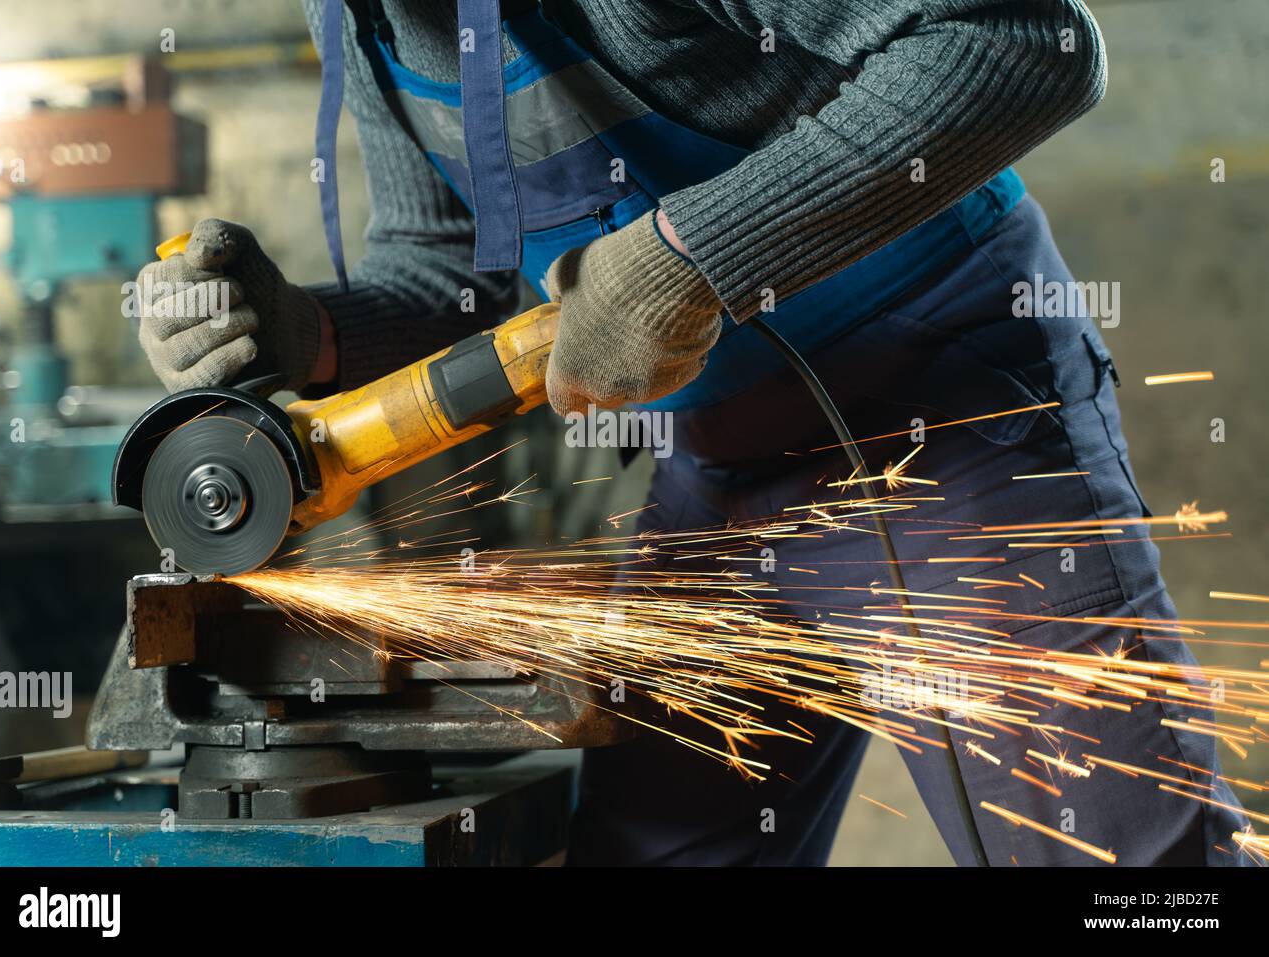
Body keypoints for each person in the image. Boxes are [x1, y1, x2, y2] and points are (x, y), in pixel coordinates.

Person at [134, 1, 1250, 865]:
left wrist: (691, 256)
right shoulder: (366, 16)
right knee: (666, 852)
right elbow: (456, 273)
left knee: (1119, 865)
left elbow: (1025, 44)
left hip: (940, 418)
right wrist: (312, 331)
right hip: (717, 468)